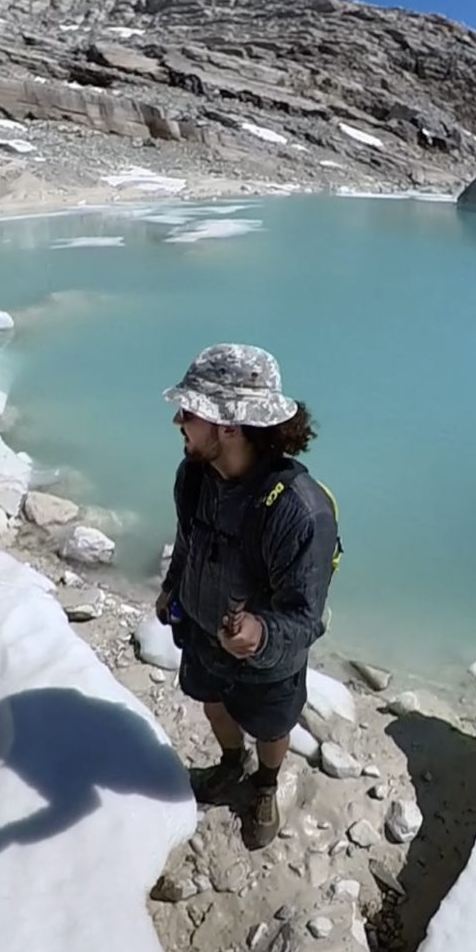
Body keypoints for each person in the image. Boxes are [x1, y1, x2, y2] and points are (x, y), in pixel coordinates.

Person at [155, 343, 341, 850]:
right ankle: (231, 763)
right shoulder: (193, 475)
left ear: (229, 426)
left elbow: (306, 618)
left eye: (191, 412)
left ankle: (264, 785)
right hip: (202, 632)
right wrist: (173, 589)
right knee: (213, 705)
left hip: (267, 663)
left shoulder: (301, 512)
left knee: (272, 727)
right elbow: (188, 541)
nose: (178, 421)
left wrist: (260, 634)